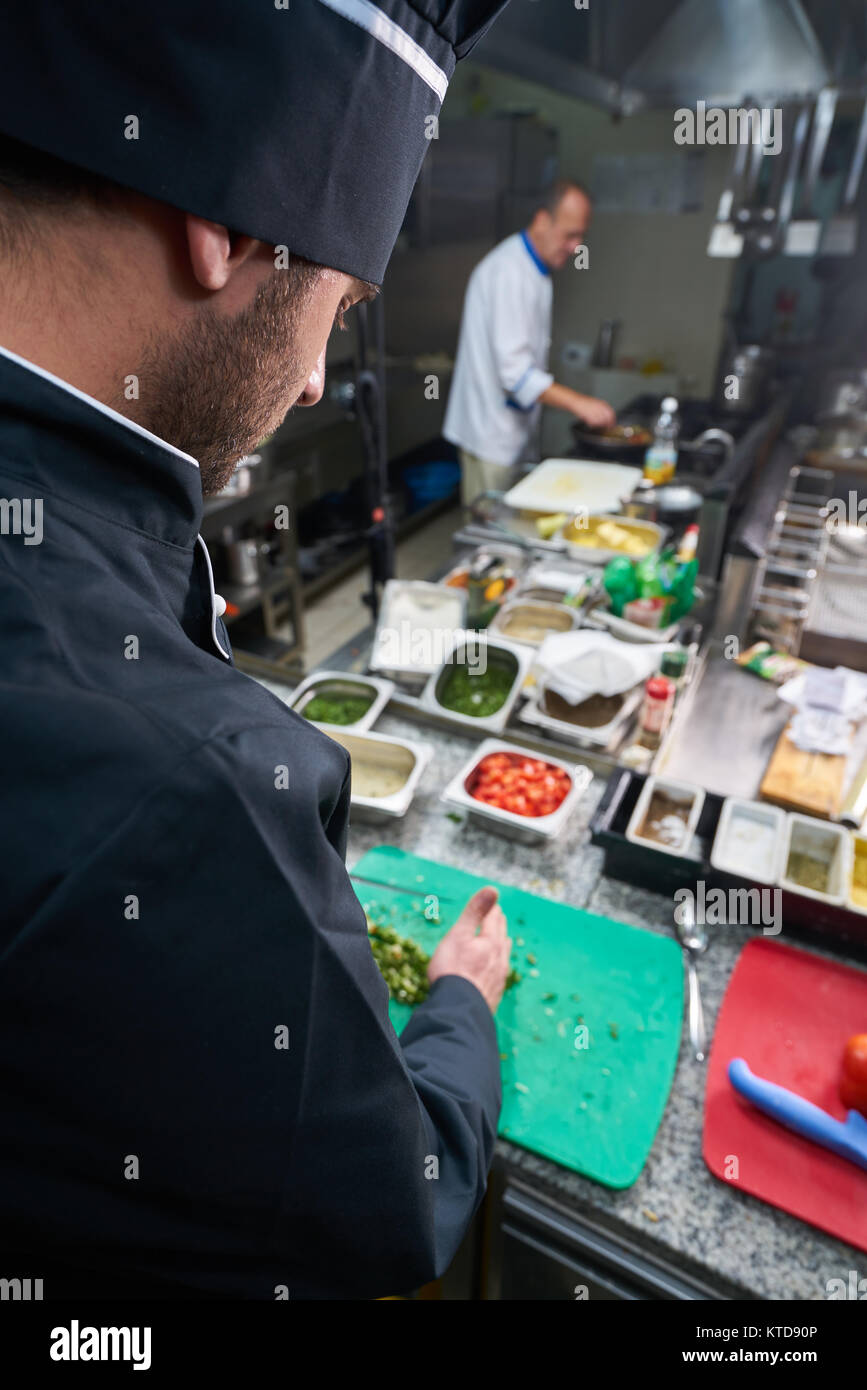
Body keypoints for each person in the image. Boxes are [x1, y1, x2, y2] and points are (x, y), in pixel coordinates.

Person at [0, 1, 514, 1300]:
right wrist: (456, 1008)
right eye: (336, 307)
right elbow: (388, 1202)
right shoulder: (189, 782)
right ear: (225, 226)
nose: (304, 385)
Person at [444, 179, 616, 505]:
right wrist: (580, 403)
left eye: (581, 236)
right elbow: (515, 374)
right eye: (570, 235)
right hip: (490, 436)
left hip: (512, 429)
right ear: (542, 220)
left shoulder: (535, 268)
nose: (577, 246)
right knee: (490, 534)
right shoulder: (508, 273)